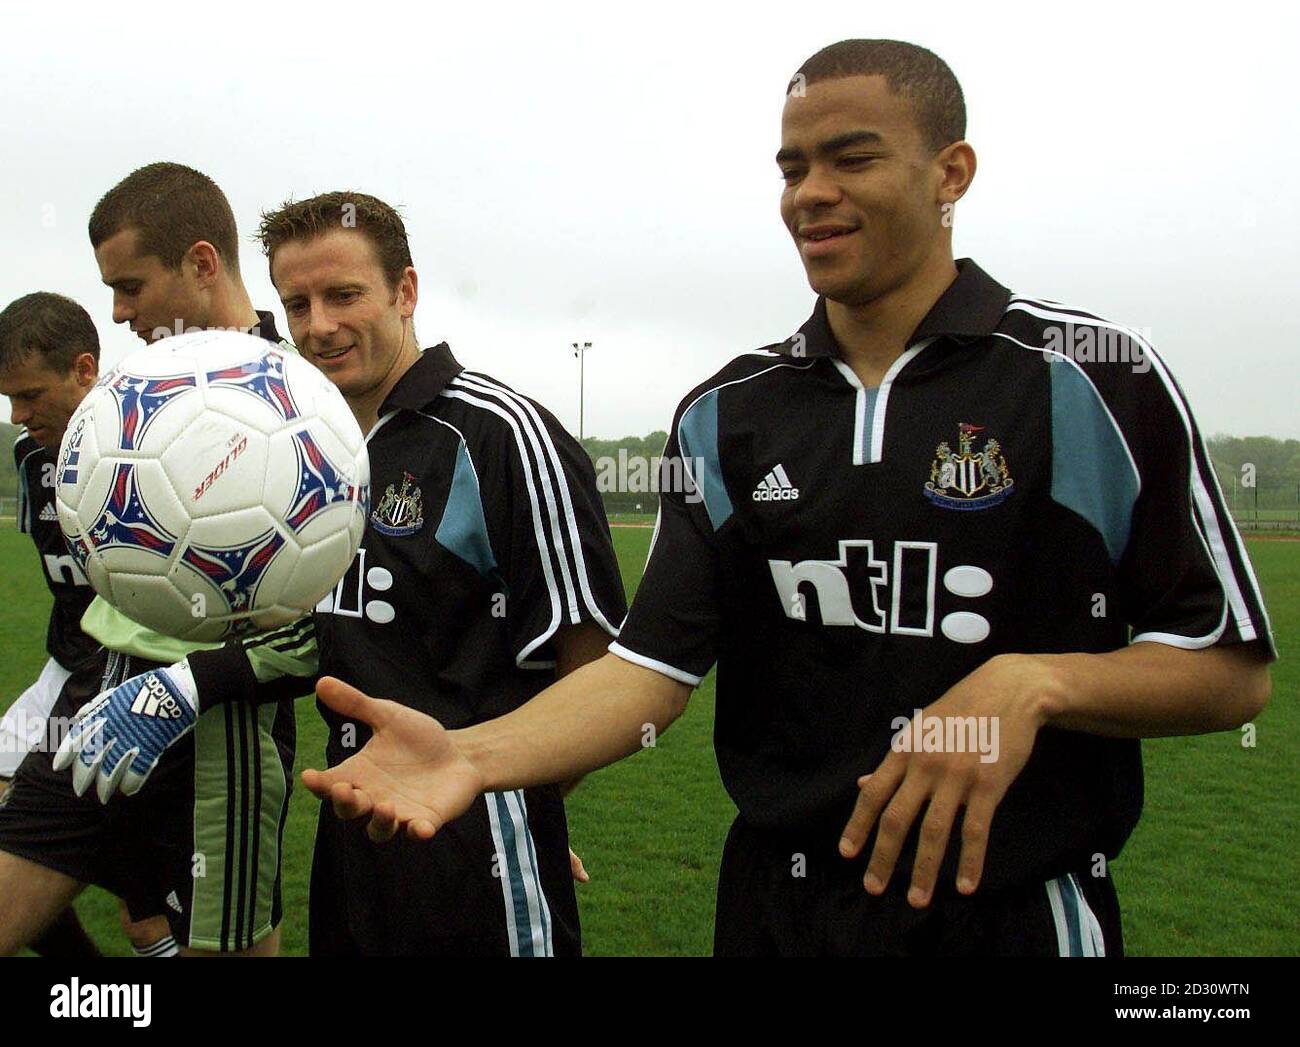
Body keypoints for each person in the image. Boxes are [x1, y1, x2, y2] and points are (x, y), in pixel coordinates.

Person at [292, 40, 1273, 956]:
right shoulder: (727, 413)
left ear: (950, 174)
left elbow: (1228, 674)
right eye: (791, 167)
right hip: (770, 910)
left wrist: (1033, 684)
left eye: (849, 159)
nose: (812, 194)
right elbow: (647, 673)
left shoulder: (1085, 378)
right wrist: (471, 754)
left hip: (1010, 917)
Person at [61, 191, 627, 955]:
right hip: (353, 838)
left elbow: (596, 671)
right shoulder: (300, 449)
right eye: (296, 302)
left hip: (475, 849)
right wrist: (191, 678)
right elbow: (318, 636)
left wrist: (517, 807)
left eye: (344, 295)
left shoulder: (498, 434)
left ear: (406, 290)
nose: (318, 324)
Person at [0, 164, 297, 956]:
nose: (118, 312)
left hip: (219, 729)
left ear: (201, 263)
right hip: (100, 693)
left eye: (130, 286)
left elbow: (319, 618)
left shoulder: (299, 405)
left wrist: (188, 685)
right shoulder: (131, 391)